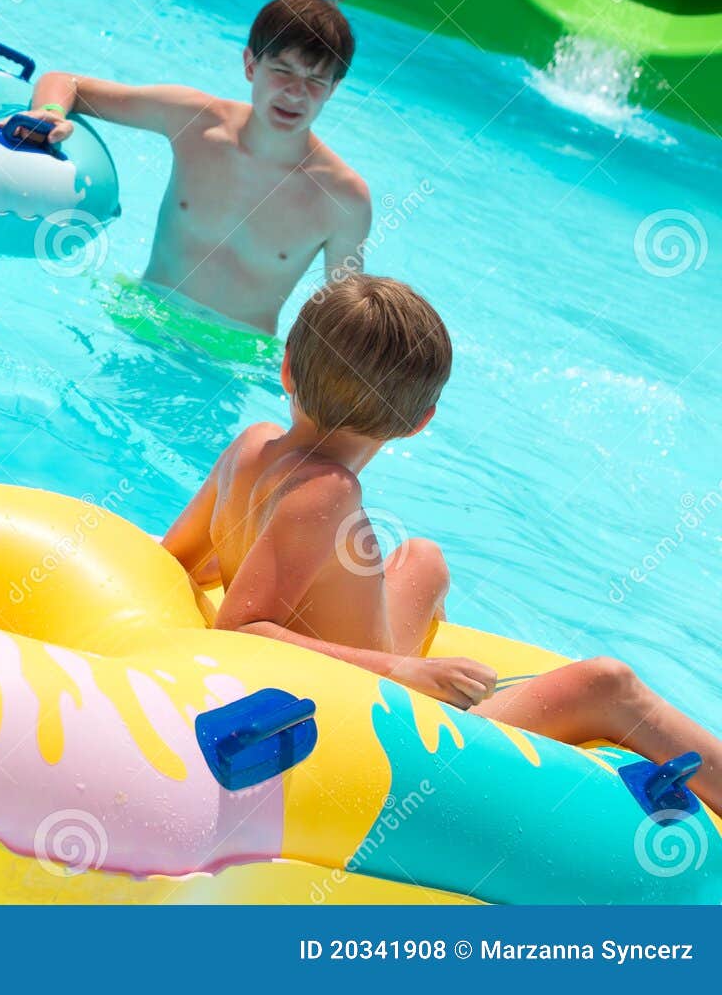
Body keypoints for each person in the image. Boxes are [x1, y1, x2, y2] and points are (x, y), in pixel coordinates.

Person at [162, 273, 722, 814]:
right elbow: (240, 630)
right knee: (607, 683)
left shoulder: (252, 445)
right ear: (419, 423)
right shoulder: (327, 491)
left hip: (361, 673)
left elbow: (180, 560)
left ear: (285, 369)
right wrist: (402, 671)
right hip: (367, 716)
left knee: (422, 558)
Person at [8, 0, 371, 335]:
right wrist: (51, 113)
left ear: (333, 89)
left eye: (315, 81)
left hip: (231, 362)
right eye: (283, 70)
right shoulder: (192, 120)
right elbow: (64, 82)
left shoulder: (343, 199)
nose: (295, 93)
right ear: (250, 64)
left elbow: (343, 327)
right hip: (142, 321)